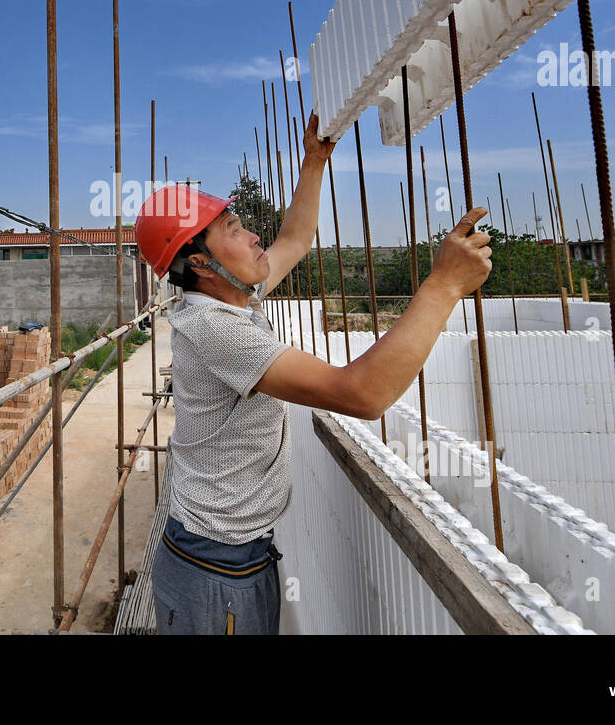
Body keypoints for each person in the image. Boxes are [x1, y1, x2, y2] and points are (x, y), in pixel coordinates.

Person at [135, 112, 492, 635]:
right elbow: (363, 394)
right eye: (234, 229)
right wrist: (443, 286)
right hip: (216, 569)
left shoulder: (230, 293)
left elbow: (296, 240)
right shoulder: (217, 328)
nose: (255, 236)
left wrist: (315, 161)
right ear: (203, 265)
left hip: (228, 555)